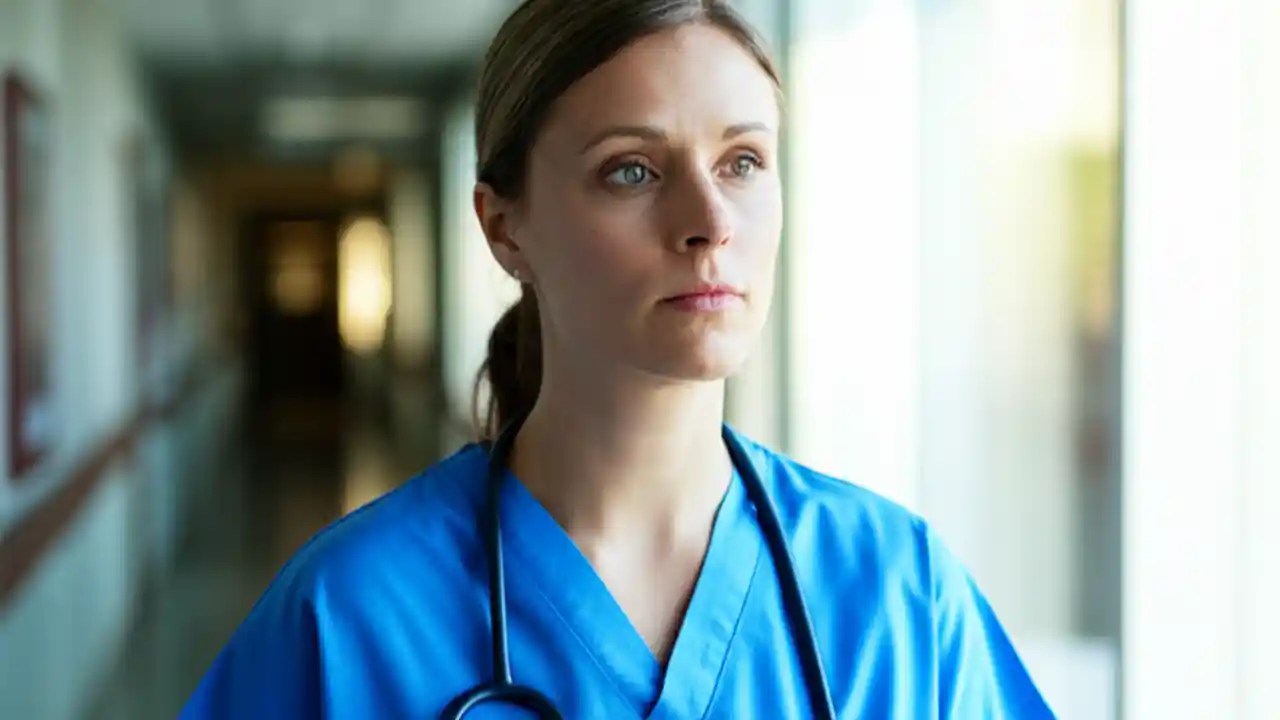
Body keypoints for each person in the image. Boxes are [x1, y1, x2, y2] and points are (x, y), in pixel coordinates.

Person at [181, 0, 1055, 717]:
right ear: (502, 226)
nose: (710, 221)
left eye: (743, 160)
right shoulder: (349, 617)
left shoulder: (898, 594)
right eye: (632, 171)